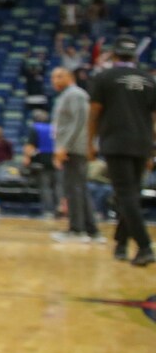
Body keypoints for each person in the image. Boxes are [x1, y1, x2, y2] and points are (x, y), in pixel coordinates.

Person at [88, 37, 154, 266]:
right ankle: (121, 244)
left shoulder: (103, 77)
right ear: (135, 57)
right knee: (131, 196)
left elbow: (94, 113)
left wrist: (89, 143)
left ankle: (144, 246)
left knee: (125, 196)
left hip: (116, 143)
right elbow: (154, 118)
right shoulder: (149, 80)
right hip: (143, 144)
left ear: (114, 56)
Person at [50, 67, 98, 243]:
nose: (55, 80)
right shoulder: (67, 95)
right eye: (53, 77)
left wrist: (64, 146)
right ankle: (90, 229)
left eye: (59, 76)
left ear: (70, 77)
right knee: (79, 188)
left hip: (74, 149)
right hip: (73, 147)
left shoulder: (75, 94)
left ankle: (77, 230)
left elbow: (80, 122)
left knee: (74, 189)